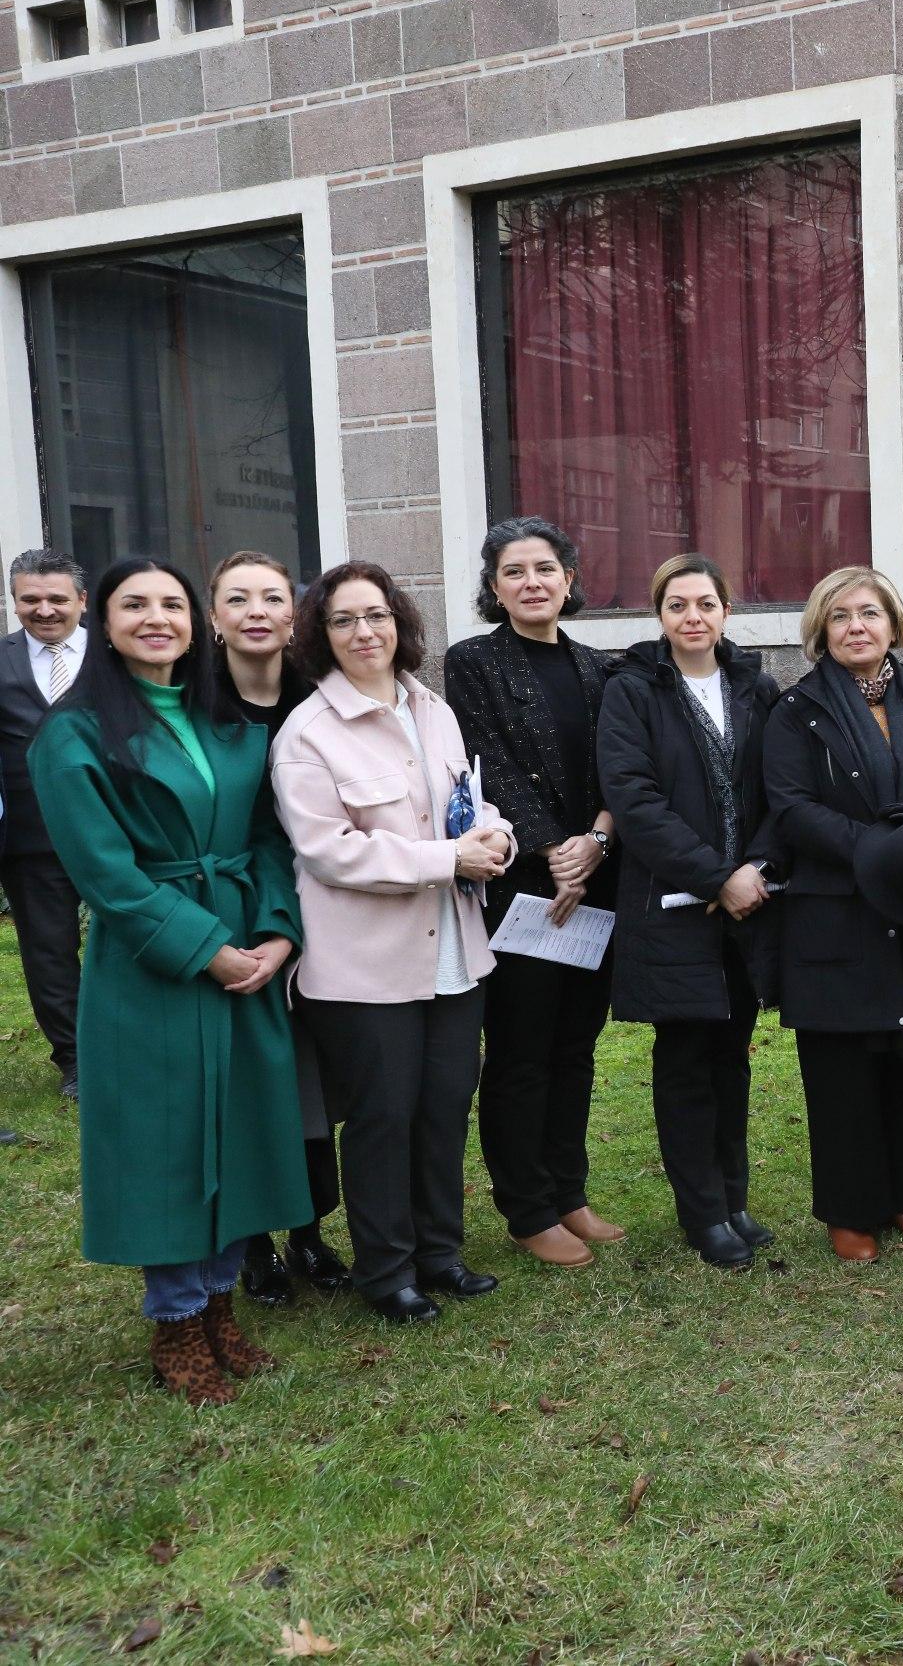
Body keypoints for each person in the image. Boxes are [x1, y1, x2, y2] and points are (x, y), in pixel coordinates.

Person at [31, 558, 307, 1405]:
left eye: (172, 605)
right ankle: (176, 1321)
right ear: (101, 623)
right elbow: (106, 877)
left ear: (196, 622)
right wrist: (206, 949)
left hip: (244, 951)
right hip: (155, 970)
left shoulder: (224, 720)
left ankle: (221, 1305)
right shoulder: (71, 737)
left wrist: (273, 933)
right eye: (134, 606)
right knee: (168, 1144)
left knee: (241, 1132)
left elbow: (264, 837)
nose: (157, 619)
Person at [271, 564, 515, 1325]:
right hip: (363, 965)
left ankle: (440, 1253)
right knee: (383, 1116)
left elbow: (465, 796)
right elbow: (330, 850)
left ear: (399, 622)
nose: (363, 632)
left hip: (454, 952)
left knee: (445, 1106)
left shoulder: (431, 707)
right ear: (321, 636)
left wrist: (496, 833)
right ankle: (388, 1272)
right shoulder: (308, 732)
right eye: (343, 620)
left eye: (375, 615)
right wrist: (449, 859)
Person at [764, 567, 903, 1265]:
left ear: (893, 624)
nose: (856, 627)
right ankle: (850, 1211)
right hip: (839, 907)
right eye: (839, 617)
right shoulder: (797, 711)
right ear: (820, 633)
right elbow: (791, 806)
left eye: (869, 613)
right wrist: (880, 851)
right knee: (843, 1069)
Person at [442, 519, 623, 1271]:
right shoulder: (471, 663)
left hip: (596, 876)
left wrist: (596, 843)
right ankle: (527, 1207)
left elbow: (620, 765)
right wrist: (556, 849)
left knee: (575, 1044)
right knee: (521, 1050)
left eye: (545, 568)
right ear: (493, 588)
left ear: (569, 579)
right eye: (513, 572)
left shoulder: (599, 667)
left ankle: (568, 1190)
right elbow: (488, 766)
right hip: (522, 882)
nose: (532, 583)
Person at [596, 554, 784, 1272]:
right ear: (661, 615)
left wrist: (755, 870)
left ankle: (734, 1198)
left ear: (726, 612)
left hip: (746, 907)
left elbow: (778, 787)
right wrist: (716, 876)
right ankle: (701, 1213)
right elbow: (635, 800)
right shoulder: (633, 691)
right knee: (685, 1061)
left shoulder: (755, 687)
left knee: (731, 1058)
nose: (693, 617)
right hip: (671, 906)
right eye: (678, 605)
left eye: (706, 603)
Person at [209, 551, 351, 1306]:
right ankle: (252, 1243)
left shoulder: (319, 697)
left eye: (273, 597)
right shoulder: (193, 705)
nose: (258, 611)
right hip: (232, 916)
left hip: (323, 907)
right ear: (216, 617)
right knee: (244, 1083)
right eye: (239, 599)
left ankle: (308, 1230)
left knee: (308, 1083)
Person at [0, 548, 91, 1101]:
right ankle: (76, 1060)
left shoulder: (116, 654)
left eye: (58, 598)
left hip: (121, 830)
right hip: (32, 841)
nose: (45, 609)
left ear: (82, 600)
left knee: (134, 940)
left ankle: (138, 1044)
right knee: (49, 951)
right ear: (14, 602)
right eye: (29, 599)